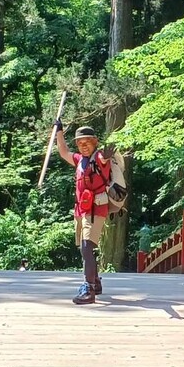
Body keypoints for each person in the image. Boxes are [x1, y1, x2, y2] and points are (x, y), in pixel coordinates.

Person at [55, 120, 111, 304]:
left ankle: (88, 289)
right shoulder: (79, 160)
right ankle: (95, 281)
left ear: (95, 141)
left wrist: (106, 156)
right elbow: (63, 152)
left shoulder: (100, 157)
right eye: (79, 143)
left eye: (87, 141)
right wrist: (59, 132)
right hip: (81, 208)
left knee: (87, 246)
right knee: (84, 247)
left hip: (96, 208)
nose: (83, 145)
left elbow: (104, 160)